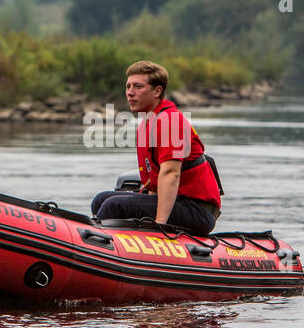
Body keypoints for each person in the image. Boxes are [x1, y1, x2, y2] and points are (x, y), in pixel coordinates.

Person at [91, 61, 221, 235]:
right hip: (176, 202)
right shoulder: (147, 123)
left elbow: (171, 173)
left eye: (138, 86)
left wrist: (158, 226)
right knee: (100, 200)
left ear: (157, 91)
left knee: (114, 206)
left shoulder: (170, 122)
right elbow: (153, 183)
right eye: (128, 86)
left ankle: (103, 246)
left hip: (196, 210)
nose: (130, 92)